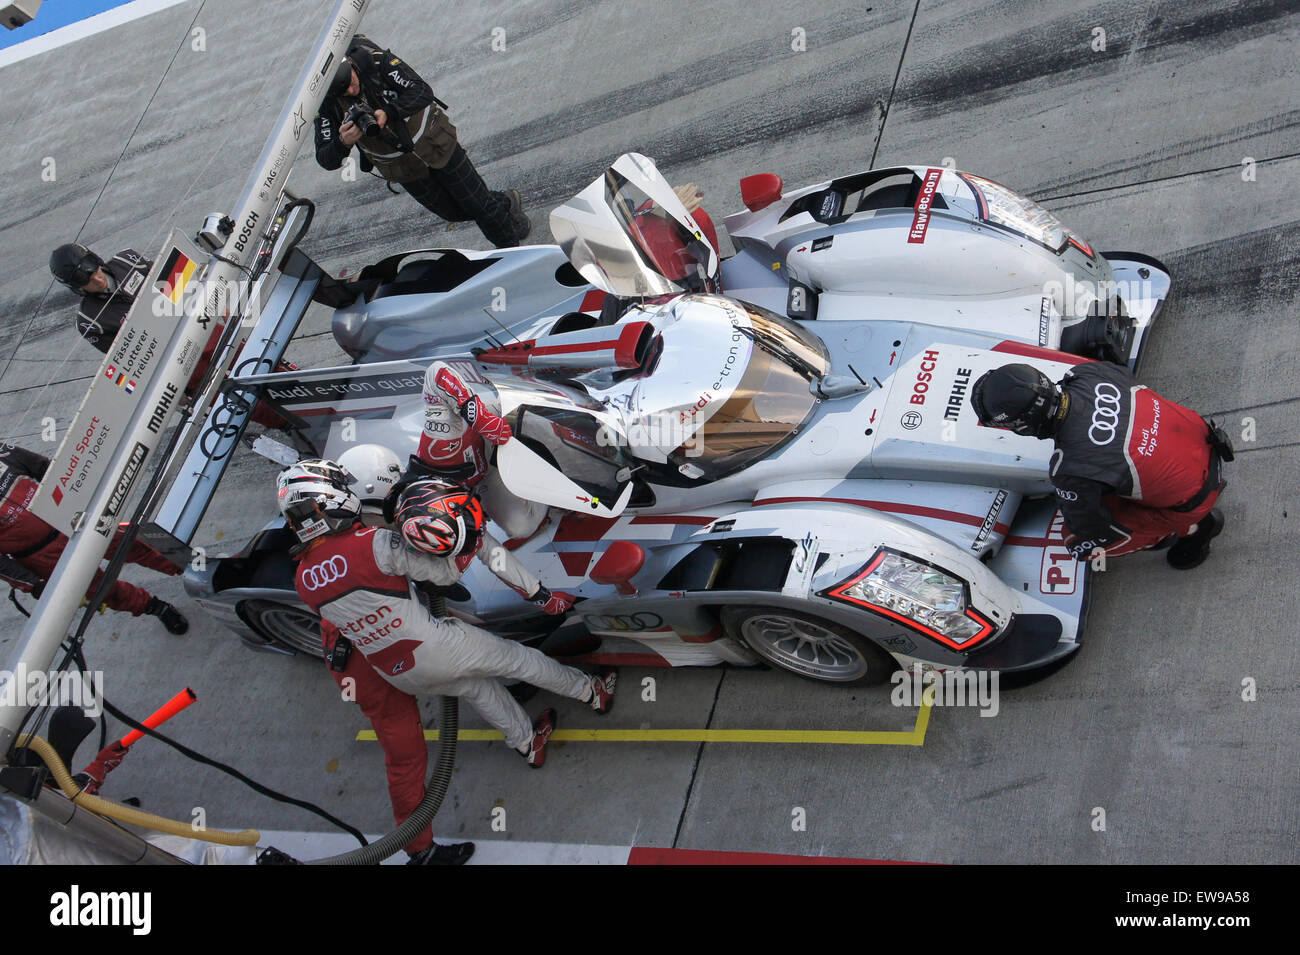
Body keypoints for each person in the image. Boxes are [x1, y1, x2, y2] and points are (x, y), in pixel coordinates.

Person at [279, 459, 614, 780]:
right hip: (436, 647)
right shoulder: (374, 544)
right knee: (521, 661)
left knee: (477, 689)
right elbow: (445, 574)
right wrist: (469, 531)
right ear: (327, 500)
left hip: (397, 672)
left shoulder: (302, 579)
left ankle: (528, 744)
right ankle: (591, 692)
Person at [970, 362, 1232, 568]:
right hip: (1204, 441)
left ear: (1022, 425)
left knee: (1078, 543)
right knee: (1110, 481)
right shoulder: (1088, 373)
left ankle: (1193, 528)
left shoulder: (1069, 468)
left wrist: (1074, 495)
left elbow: (1090, 527)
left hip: (1195, 496)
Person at [313, 35, 530, 249]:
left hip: (437, 144)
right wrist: (343, 142)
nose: (352, 90)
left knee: (479, 206)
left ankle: (510, 252)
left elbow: (421, 91)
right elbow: (325, 158)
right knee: (454, 213)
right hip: (404, 169)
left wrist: (389, 112)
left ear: (351, 65)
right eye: (345, 92)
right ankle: (506, 203)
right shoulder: (326, 105)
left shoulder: (377, 62)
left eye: (352, 82)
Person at [48, 242, 290, 431]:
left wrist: (214, 304)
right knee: (236, 397)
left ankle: (300, 387)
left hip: (203, 330)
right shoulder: (90, 322)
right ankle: (287, 424)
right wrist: (172, 396)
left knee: (259, 359)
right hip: (181, 365)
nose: (98, 279)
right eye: (88, 281)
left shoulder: (127, 259)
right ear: (76, 288)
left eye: (95, 270)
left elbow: (178, 279)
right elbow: (127, 365)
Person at [0, 444, 188, 631]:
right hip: (41, 555)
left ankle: (194, 569)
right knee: (100, 589)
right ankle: (155, 608)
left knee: (134, 545)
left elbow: (42, 468)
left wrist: (78, 495)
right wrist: (32, 583)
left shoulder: (2, 451)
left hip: (71, 519)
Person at [387, 360, 547, 546]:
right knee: (520, 527)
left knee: (538, 422)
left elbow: (435, 372)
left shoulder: (439, 447)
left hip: (486, 429)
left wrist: (480, 418)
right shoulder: (451, 519)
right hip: (484, 476)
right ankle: (550, 489)